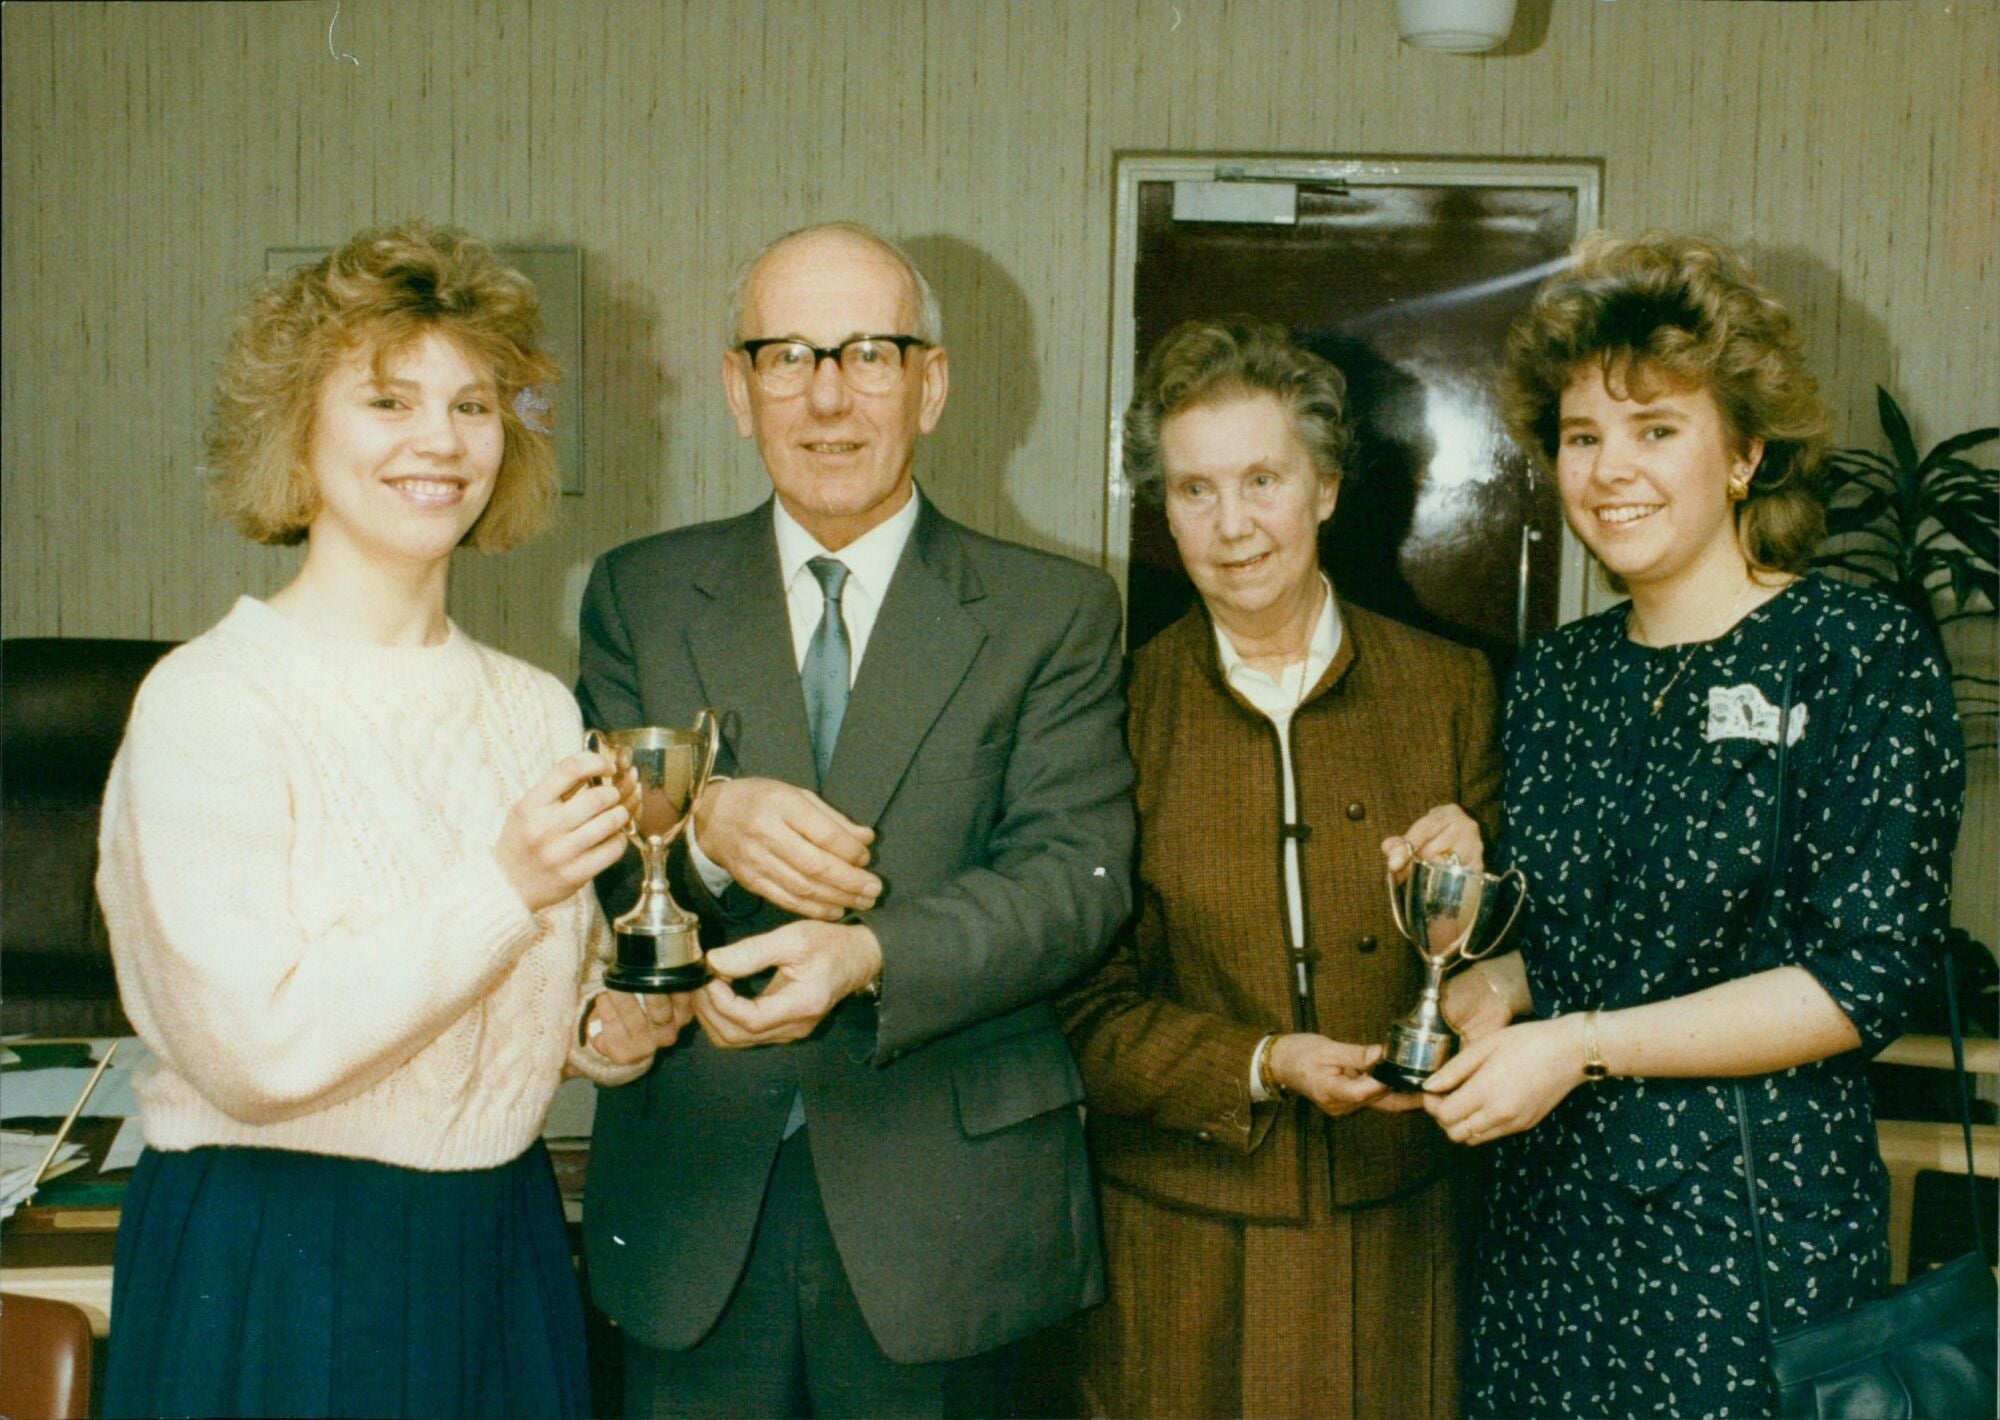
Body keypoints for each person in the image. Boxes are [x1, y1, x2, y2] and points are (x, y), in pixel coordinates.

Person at [95, 220, 680, 1419]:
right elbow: (258, 1054)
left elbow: (480, 1005)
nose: (441, 441)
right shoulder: (212, 699)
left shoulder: (532, 706)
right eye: (388, 400)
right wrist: (502, 887)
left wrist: (590, 1025)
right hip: (279, 1257)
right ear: (295, 433)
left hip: (497, 1240)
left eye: (475, 406)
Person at [575, 221, 1135, 1417]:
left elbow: (1071, 880)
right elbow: (600, 862)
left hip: (948, 1213)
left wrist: (868, 954)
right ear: (738, 389)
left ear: (929, 385)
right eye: (786, 356)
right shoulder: (638, 592)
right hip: (692, 1205)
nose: (827, 397)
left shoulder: (1055, 611)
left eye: (869, 353)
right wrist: (704, 818)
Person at [1424, 232, 1967, 1418]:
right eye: (1579, 437)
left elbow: (1858, 979)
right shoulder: (1557, 677)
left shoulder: (1856, 653)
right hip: (1543, 1237)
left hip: (1743, 1247)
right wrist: (1491, 989)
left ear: (1744, 453)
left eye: (1654, 429)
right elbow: (1571, 943)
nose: (1607, 470)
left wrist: (1574, 1043)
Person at [1056, 317, 1499, 1419]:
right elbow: (1077, 1010)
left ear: (1327, 489)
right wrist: (1261, 1061)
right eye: (1193, 490)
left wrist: (1482, 903)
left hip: (1404, 1240)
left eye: (1262, 478)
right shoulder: (1102, 714)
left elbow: (1517, 955)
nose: (1232, 524)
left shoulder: (1452, 690)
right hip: (1175, 1246)